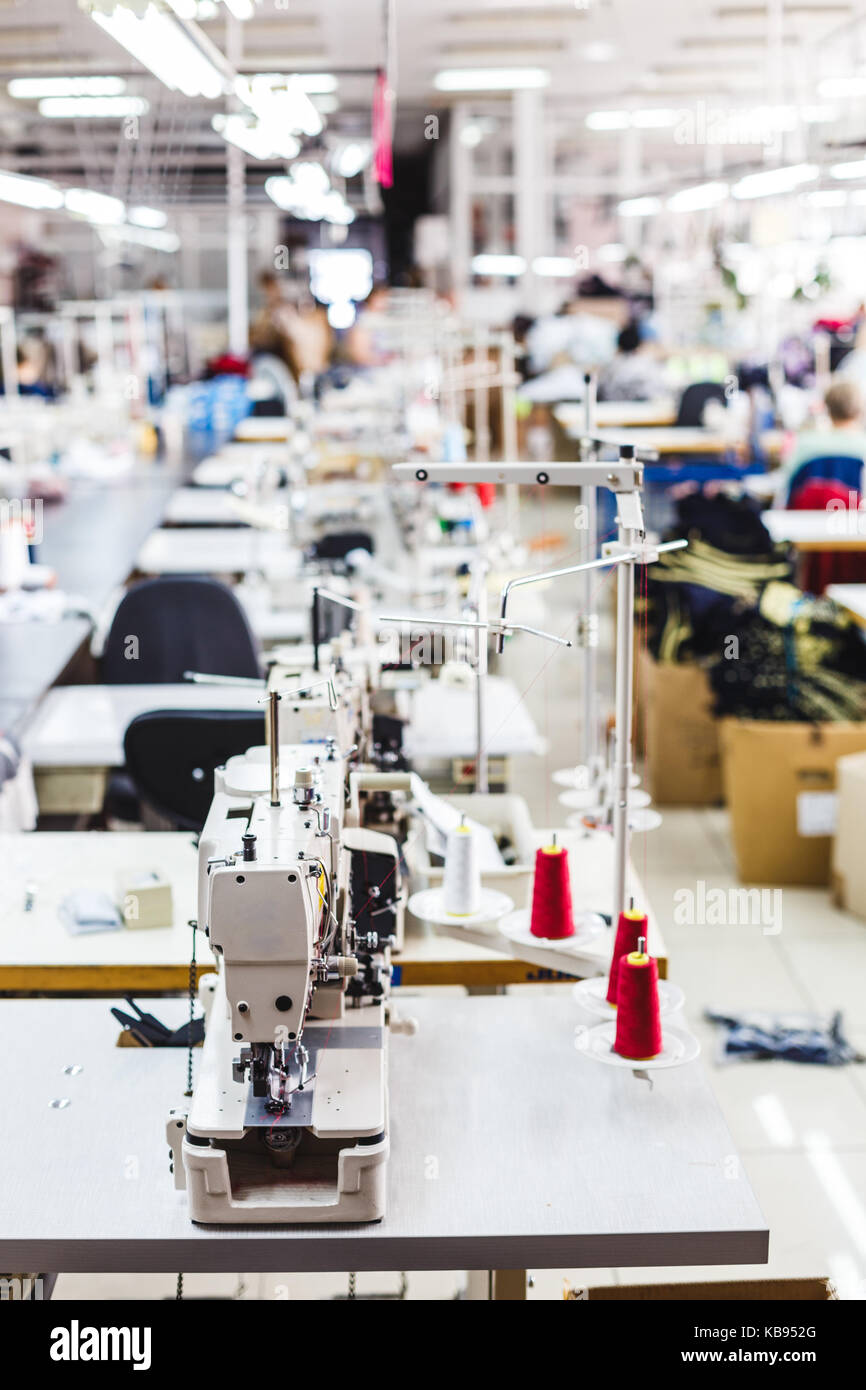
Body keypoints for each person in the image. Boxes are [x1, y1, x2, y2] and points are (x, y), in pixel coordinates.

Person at [782, 380, 866, 487]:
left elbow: (787, 488)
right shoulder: (863, 448)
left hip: (812, 503)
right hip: (852, 502)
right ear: (860, 409)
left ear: (827, 407)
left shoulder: (805, 444)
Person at [596, 321, 669, 402]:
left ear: (619, 346)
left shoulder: (609, 367)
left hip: (612, 411)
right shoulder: (647, 365)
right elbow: (659, 392)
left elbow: (599, 393)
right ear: (639, 346)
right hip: (643, 412)